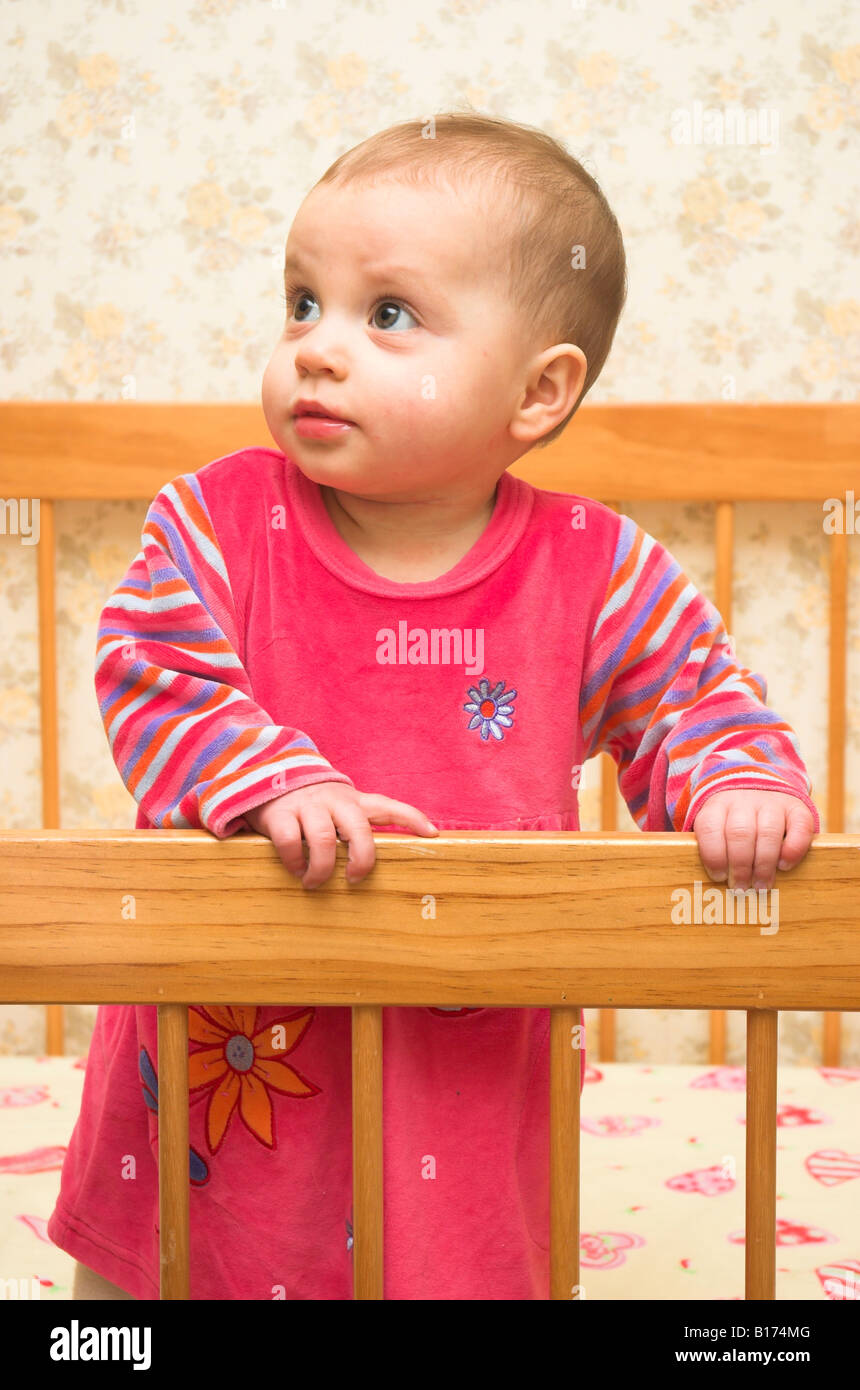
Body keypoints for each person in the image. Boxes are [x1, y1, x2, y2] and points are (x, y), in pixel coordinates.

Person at [49, 110, 819, 1301]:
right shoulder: (213, 520)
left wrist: (736, 780)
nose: (316, 346)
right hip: (218, 1070)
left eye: (387, 314)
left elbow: (694, 698)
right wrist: (275, 780)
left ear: (535, 392)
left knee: (450, 1268)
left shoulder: (591, 566)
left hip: (456, 1075)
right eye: (302, 301)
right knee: (160, 1286)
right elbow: (152, 666)